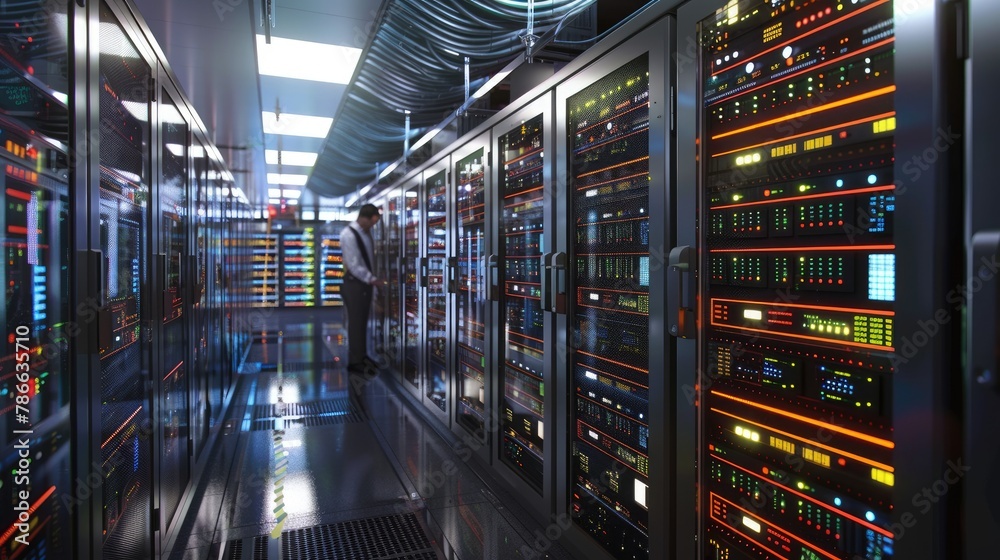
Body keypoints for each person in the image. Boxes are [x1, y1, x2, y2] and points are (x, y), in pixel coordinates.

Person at [339, 204, 387, 374]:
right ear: (364, 218)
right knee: (356, 323)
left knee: (362, 323)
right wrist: (372, 279)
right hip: (354, 284)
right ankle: (355, 362)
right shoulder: (348, 234)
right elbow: (353, 265)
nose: (372, 226)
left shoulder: (365, 234)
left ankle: (362, 357)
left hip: (363, 284)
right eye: (372, 222)